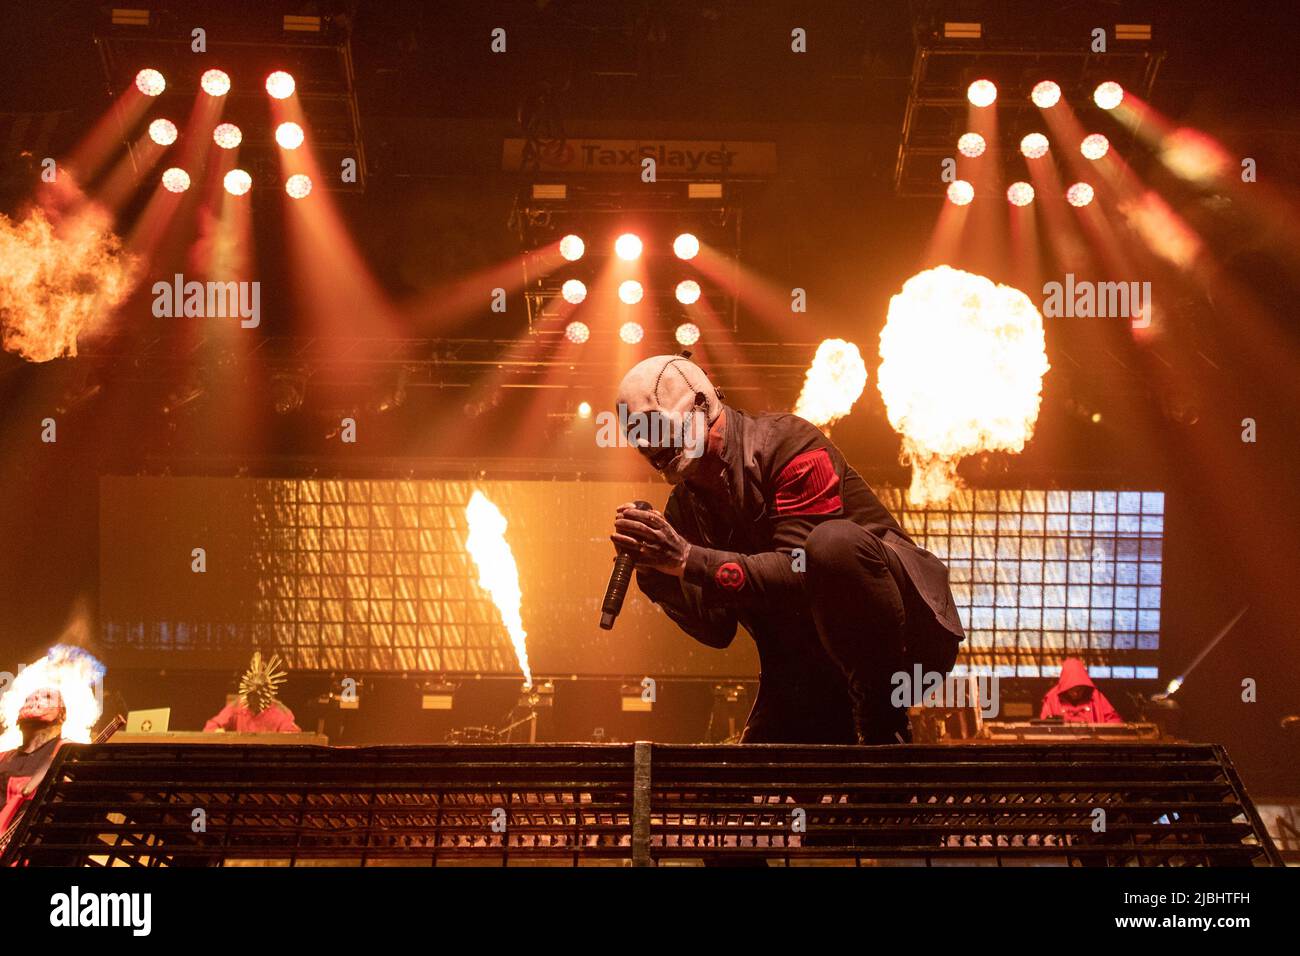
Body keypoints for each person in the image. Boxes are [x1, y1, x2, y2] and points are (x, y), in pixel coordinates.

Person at [611, 353, 965, 744]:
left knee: (832, 545)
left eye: (666, 432)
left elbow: (800, 572)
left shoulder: (789, 443)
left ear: (701, 405)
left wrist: (686, 558)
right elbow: (716, 630)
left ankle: (883, 724)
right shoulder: (685, 507)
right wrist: (658, 574)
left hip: (907, 643)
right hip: (810, 667)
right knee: (761, 780)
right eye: (647, 445)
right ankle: (846, 732)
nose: (658, 451)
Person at [0, 688, 67, 833]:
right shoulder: (2, 758)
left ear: (62, 714)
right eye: (27, 699)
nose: (35, 698)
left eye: (47, 697)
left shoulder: (69, 755)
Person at [204, 652, 301, 733]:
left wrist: (287, 735)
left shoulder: (281, 712)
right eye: (250, 695)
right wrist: (217, 732)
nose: (252, 700)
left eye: (256, 696)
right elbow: (211, 726)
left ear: (266, 694)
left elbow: (293, 736)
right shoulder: (237, 707)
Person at [1040, 658, 1123, 724]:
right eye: (1071, 690)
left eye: (1080, 690)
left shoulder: (1095, 696)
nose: (1076, 694)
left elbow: (1113, 719)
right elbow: (1044, 725)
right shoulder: (1052, 698)